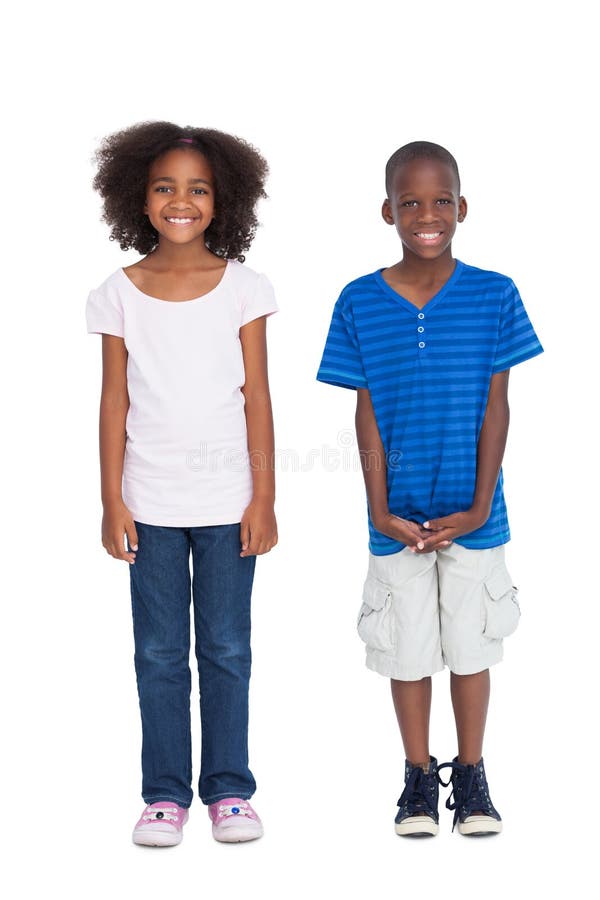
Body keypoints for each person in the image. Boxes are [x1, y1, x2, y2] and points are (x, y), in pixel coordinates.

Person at [316, 141, 543, 837]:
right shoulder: (358, 299)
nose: (426, 214)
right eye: (410, 202)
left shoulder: (495, 293)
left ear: (462, 208)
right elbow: (365, 413)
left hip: (476, 513)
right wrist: (379, 509)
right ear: (388, 210)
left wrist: (479, 503)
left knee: (471, 650)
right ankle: (419, 775)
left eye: (441, 200)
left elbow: (497, 408)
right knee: (406, 651)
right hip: (396, 518)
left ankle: (471, 776)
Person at [86, 121, 278, 846]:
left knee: (227, 648)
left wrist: (264, 496)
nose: (181, 201)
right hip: (151, 501)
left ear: (221, 199)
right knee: (160, 652)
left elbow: (257, 396)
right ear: (138, 197)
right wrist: (112, 499)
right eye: (165, 186)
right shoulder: (119, 292)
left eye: (197, 189)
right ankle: (164, 795)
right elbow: (114, 400)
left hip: (230, 502)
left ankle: (230, 790)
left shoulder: (245, 288)